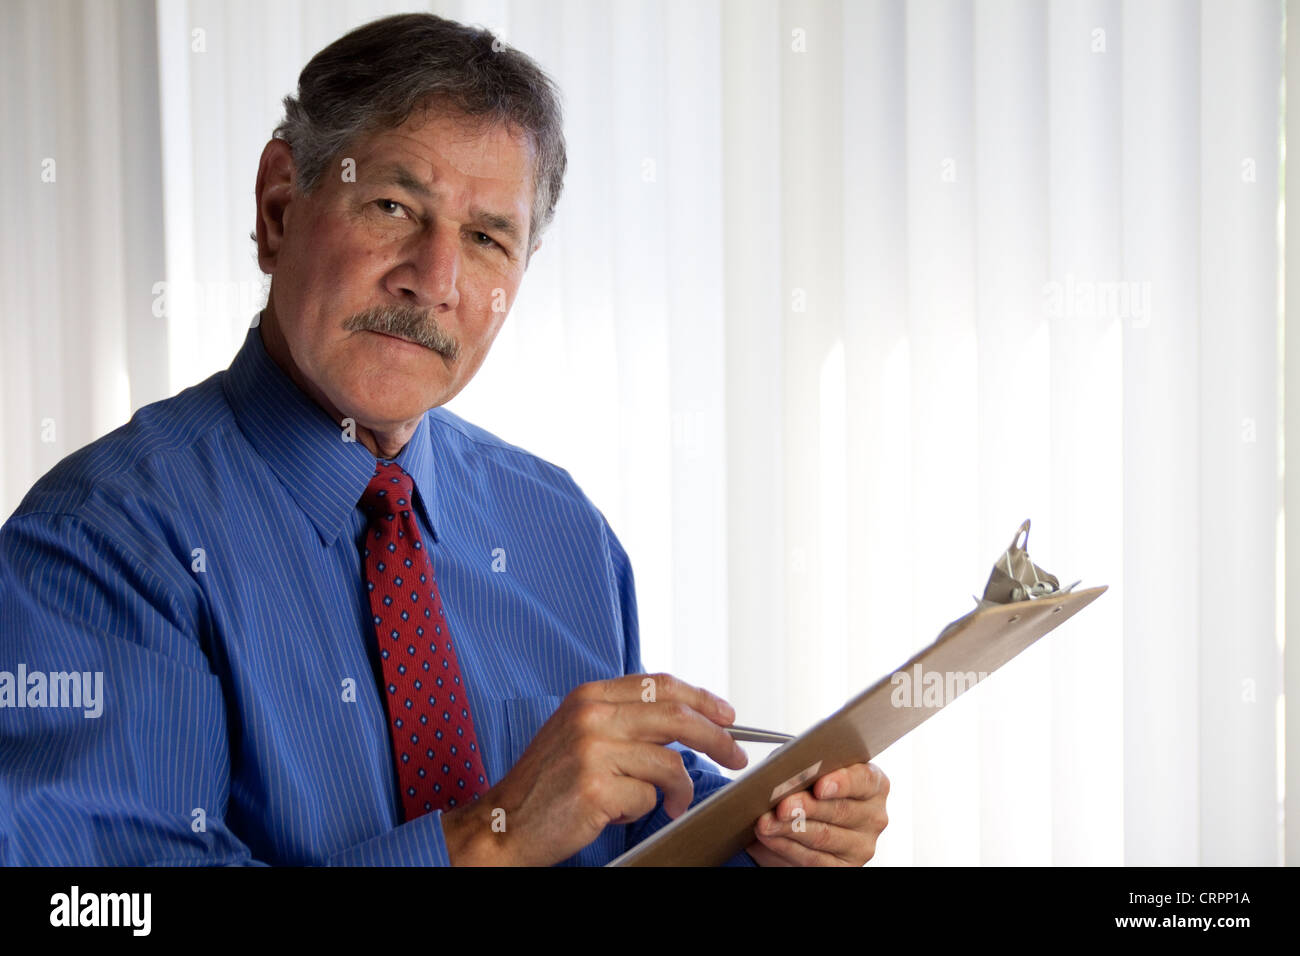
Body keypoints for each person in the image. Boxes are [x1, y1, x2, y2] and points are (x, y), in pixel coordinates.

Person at [0, 12, 888, 866]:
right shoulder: (99, 542)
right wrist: (489, 840)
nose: (436, 280)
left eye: (488, 237)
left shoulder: (559, 527)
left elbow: (618, 826)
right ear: (279, 207)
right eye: (392, 205)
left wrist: (766, 840)